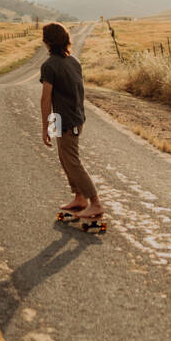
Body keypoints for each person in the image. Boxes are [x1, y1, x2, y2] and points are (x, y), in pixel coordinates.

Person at [39, 22, 103, 223]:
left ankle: (95, 203)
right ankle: (79, 197)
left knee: (73, 162)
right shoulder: (74, 61)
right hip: (71, 117)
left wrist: (44, 128)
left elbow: (45, 99)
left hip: (66, 121)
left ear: (48, 41)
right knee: (65, 158)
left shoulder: (49, 65)